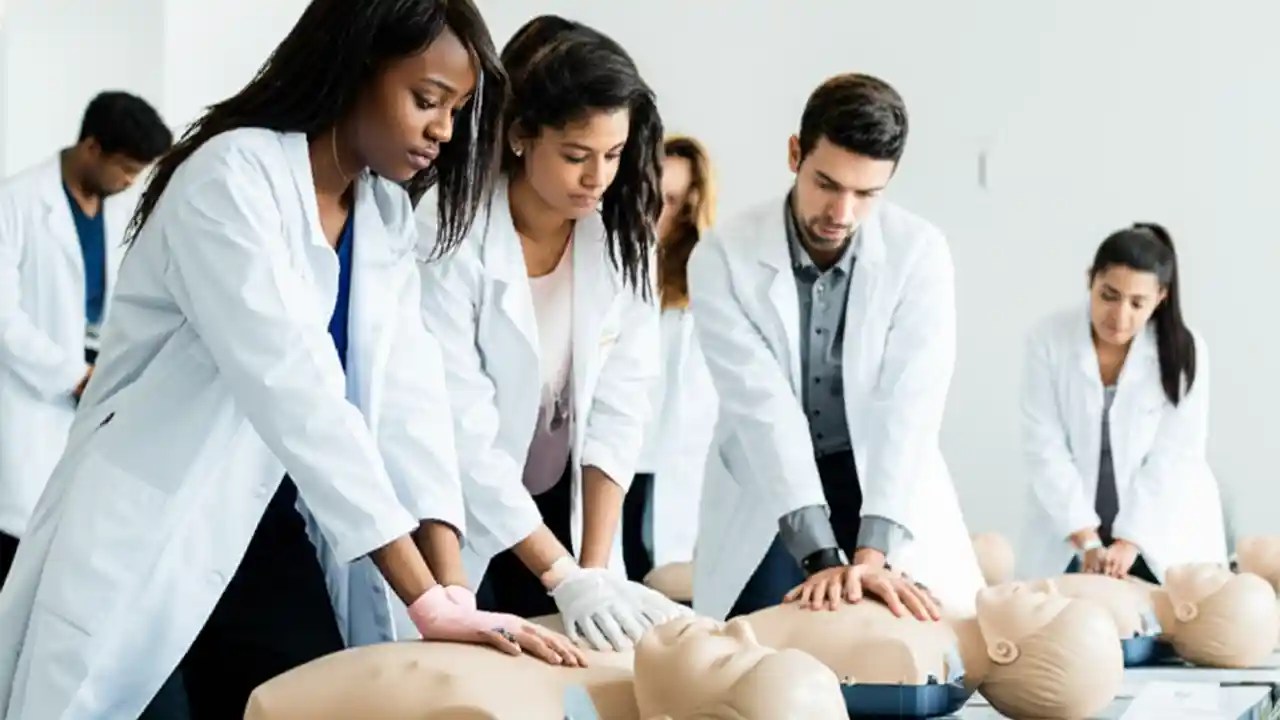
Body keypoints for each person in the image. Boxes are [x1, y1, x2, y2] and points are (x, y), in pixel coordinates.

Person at [0, 2, 585, 719]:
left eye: (458, 110)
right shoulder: (232, 178)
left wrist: (452, 586)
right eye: (426, 100)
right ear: (353, 69)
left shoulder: (382, 213)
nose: (443, 130)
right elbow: (294, 389)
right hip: (160, 519)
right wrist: (423, 596)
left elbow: (412, 406)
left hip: (279, 526)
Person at [417, 14, 687, 653]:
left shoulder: (620, 239)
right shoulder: (448, 235)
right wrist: (561, 573)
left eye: (614, 155)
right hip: (456, 519)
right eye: (576, 156)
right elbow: (461, 432)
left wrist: (592, 568)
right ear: (519, 136)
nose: (598, 178)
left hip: (563, 501)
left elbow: (622, 403)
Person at [686, 73, 984, 621]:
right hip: (769, 490)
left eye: (866, 193)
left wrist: (872, 555)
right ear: (795, 153)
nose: (841, 213)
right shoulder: (722, 256)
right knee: (754, 655)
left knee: (915, 653)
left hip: (880, 478)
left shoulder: (920, 253)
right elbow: (761, 408)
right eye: (826, 183)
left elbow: (910, 405)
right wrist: (821, 555)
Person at [0, 91, 171, 588]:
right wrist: (73, 375)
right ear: (92, 148)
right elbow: (4, 317)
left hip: (95, 387)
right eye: (125, 169)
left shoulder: (114, 211)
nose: (129, 182)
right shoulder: (16, 203)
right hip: (33, 396)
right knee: (17, 552)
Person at [1017, 223, 1226, 583]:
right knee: (1061, 622)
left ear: (1160, 297)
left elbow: (1174, 456)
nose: (1119, 315)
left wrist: (1129, 541)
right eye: (1109, 295)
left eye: (1137, 303)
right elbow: (1044, 447)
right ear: (1090, 280)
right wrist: (1086, 539)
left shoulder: (1185, 351)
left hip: (1159, 531)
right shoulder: (1048, 339)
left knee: (1153, 627)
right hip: (1072, 533)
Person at [623, 135, 719, 581]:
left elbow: (695, 410)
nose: (654, 210)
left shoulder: (699, 292)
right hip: (604, 458)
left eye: (670, 200)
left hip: (658, 470)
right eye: (648, 192)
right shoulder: (611, 264)